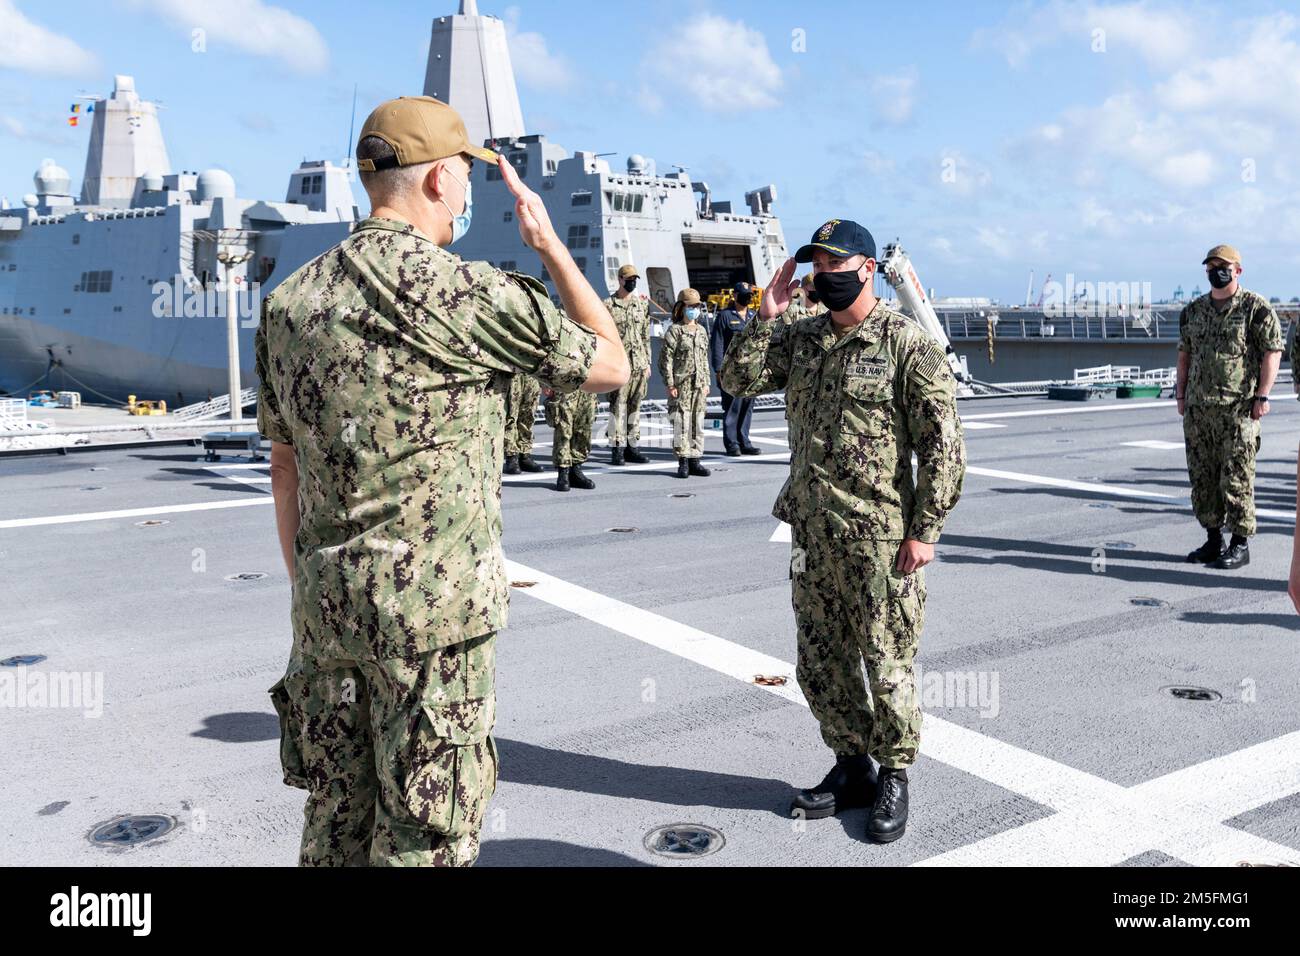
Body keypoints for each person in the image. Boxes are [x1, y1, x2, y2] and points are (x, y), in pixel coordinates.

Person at [256, 95, 628, 867]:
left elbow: (284, 464)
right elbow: (613, 363)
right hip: (435, 630)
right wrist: (552, 248)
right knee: (426, 839)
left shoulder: (289, 304)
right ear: (435, 183)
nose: (465, 191)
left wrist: (313, 585)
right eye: (464, 175)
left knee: (335, 825)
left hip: (326, 618)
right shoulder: (469, 293)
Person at [719, 219, 965, 844]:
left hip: (880, 536)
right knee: (820, 662)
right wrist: (766, 314)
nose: (824, 276)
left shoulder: (906, 343)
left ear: (867, 269)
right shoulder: (801, 339)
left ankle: (895, 774)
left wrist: (925, 529)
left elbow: (944, 446)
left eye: (835, 265)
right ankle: (852, 763)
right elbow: (736, 380)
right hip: (813, 534)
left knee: (887, 661)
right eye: (816, 266)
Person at [1176, 244, 1283, 570]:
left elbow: (1272, 351)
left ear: (1238, 270)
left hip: (1238, 411)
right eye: (1211, 266)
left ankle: (1239, 544)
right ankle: (1213, 541)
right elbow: (1184, 355)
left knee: (1237, 478)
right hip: (1199, 411)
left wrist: (1262, 395)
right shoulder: (1193, 311)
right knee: (1203, 479)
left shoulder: (1255, 308)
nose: (1216, 270)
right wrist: (1181, 396)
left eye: (1223, 265)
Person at [658, 288, 711, 479]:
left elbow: (704, 358)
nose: (694, 310)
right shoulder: (675, 331)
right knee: (681, 422)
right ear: (682, 308)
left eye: (697, 306)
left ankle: (696, 460)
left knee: (697, 422)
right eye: (691, 306)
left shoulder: (702, 331)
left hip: (699, 384)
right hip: (681, 384)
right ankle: (683, 462)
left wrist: (707, 382)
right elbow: (666, 360)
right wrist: (670, 384)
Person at [604, 264, 652, 466]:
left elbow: (644, 335)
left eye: (635, 279)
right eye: (629, 279)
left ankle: (633, 447)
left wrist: (647, 361)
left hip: (639, 364)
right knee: (618, 408)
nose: (632, 282)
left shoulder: (640, 305)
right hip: (619, 365)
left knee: (635, 407)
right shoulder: (608, 305)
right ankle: (617, 449)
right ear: (620, 280)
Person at [710, 281, 762, 456]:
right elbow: (716, 344)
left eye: (750, 295)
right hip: (730, 371)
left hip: (750, 371)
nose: (748, 298)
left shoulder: (753, 316)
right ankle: (732, 444)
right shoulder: (725, 316)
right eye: (744, 295)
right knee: (732, 406)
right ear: (735, 296)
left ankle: (744, 441)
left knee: (747, 406)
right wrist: (718, 369)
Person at [544, 361, 598, 491]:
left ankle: (576, 469)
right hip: (564, 378)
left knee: (584, 426)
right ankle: (563, 472)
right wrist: (545, 381)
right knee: (563, 426)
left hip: (588, 379)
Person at [503, 373, 544, 474]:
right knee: (511, 416)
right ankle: (511, 457)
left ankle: (524, 455)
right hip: (512, 373)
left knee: (528, 417)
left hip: (532, 373)